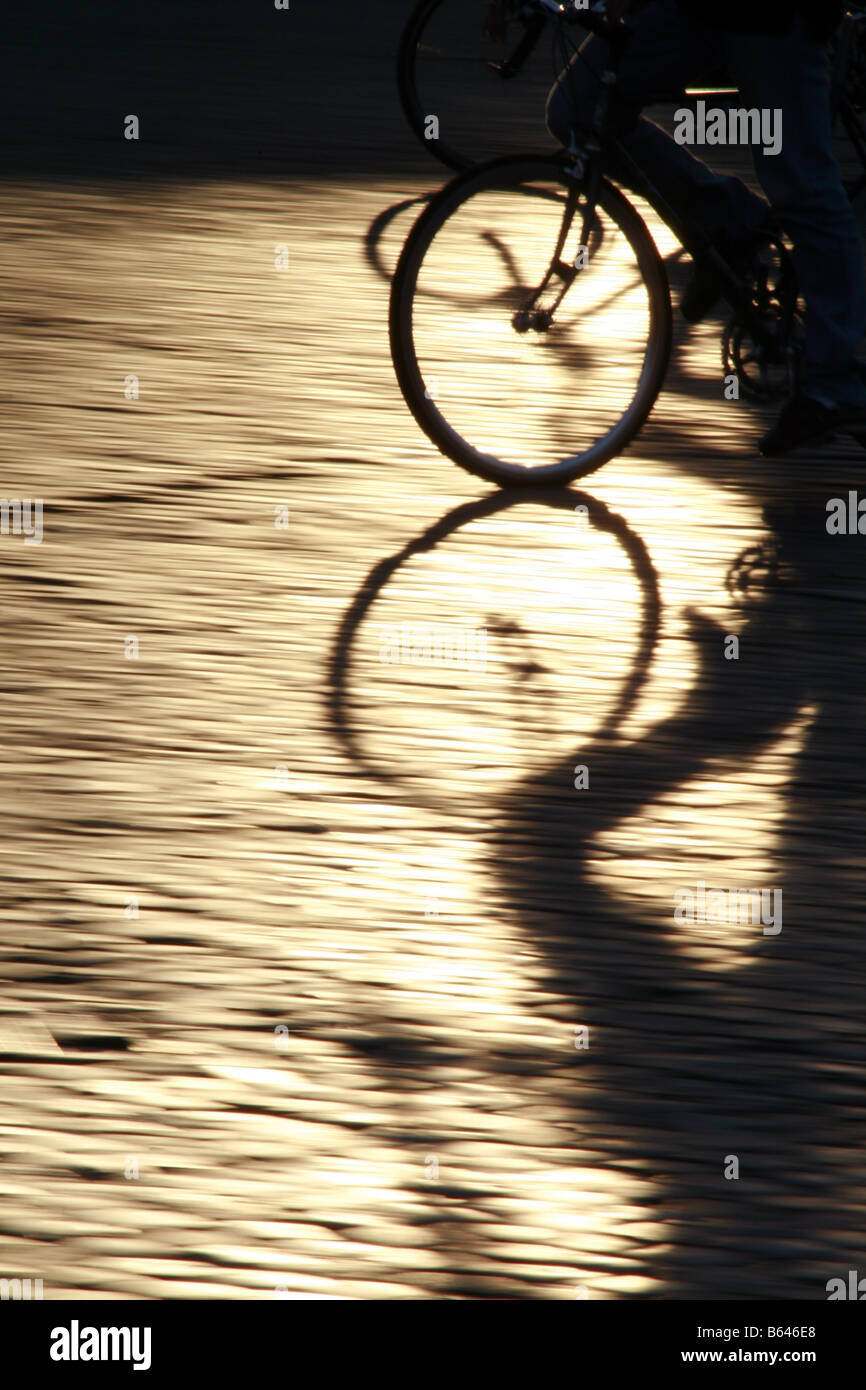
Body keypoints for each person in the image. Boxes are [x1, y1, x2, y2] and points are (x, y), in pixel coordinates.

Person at [546, 0, 866, 455]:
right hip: (695, 9)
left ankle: (835, 384)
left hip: (776, 13)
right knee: (578, 107)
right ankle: (729, 220)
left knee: (804, 188)